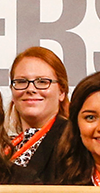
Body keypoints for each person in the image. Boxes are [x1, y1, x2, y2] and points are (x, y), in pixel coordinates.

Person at [6, 47, 70, 175]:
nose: (30, 89)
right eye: (21, 82)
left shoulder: (73, 143)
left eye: (42, 82)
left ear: (61, 91)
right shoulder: (1, 148)